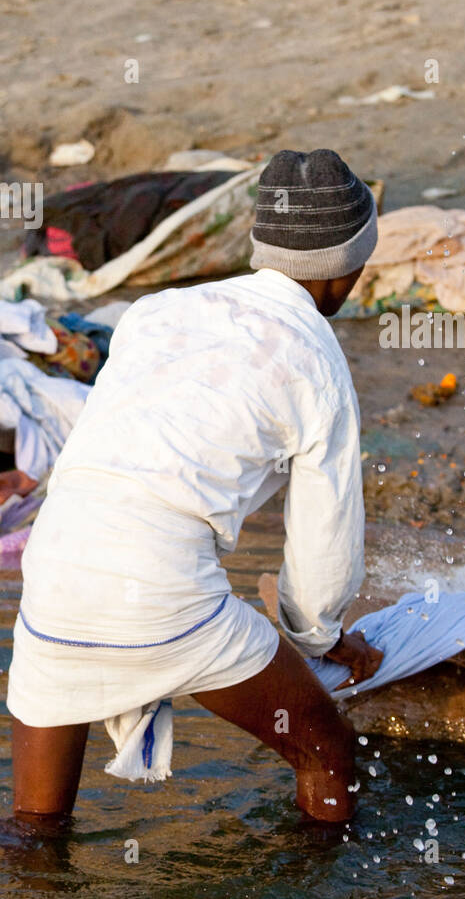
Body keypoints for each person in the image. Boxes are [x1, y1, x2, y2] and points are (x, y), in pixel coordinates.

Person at [6, 149, 383, 830]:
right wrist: (321, 638)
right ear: (350, 264)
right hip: (159, 594)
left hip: (52, 572)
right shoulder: (316, 359)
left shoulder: (156, 313)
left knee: (33, 828)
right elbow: (325, 545)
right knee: (325, 751)